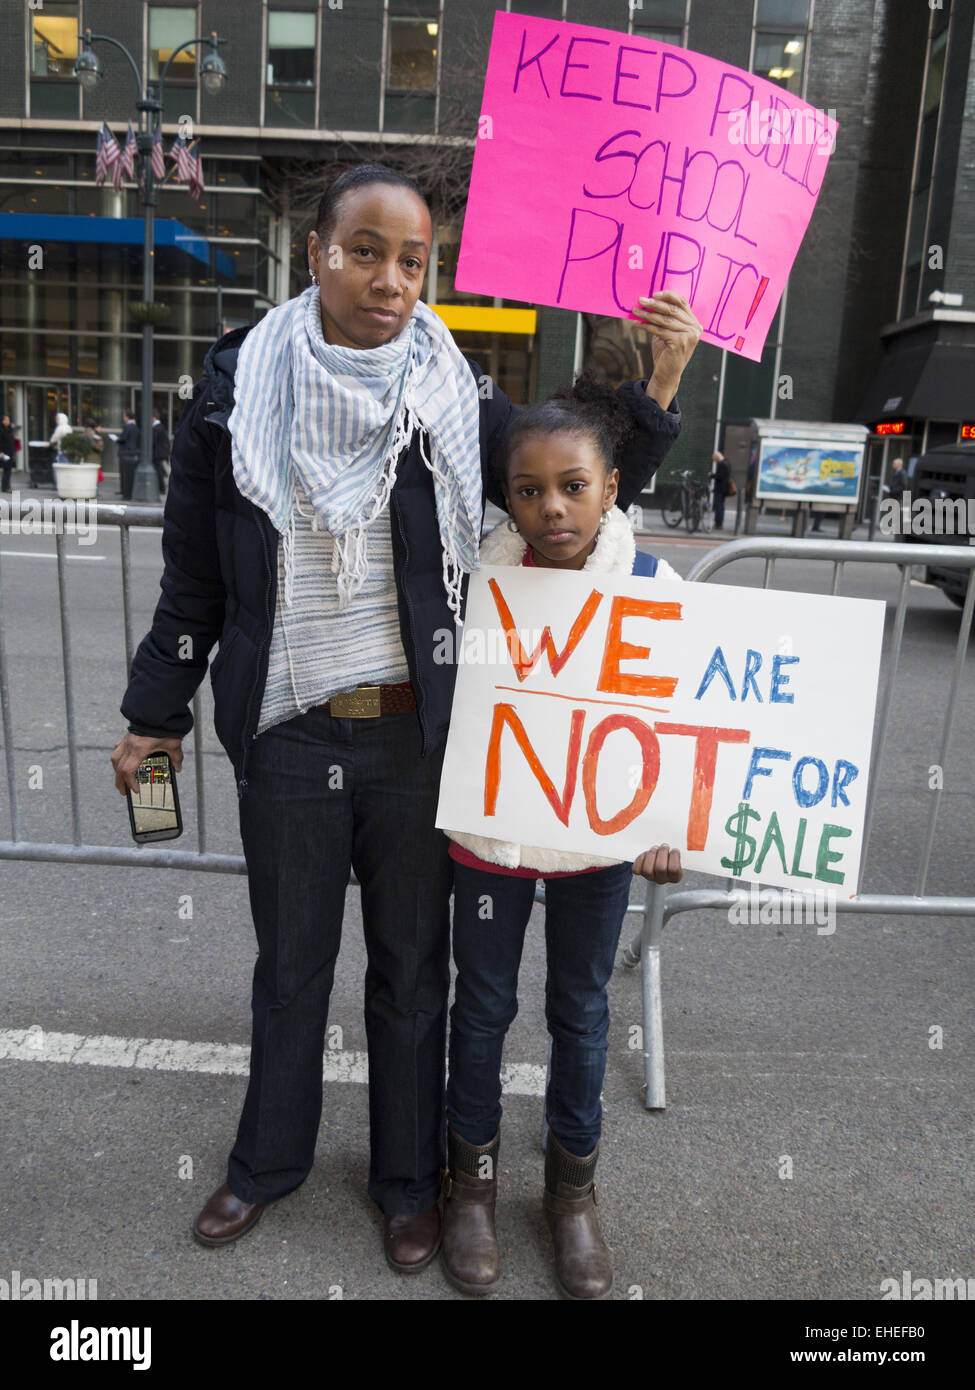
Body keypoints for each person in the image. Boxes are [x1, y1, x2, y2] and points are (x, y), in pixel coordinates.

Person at [110, 164, 701, 1275]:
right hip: (286, 723)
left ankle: (407, 1183)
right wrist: (156, 713)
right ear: (317, 254)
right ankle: (265, 1163)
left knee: (414, 970)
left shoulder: (454, 393)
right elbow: (192, 572)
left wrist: (660, 377)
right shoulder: (238, 381)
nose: (392, 278)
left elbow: (569, 478)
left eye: (415, 259)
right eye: (368, 250)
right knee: (289, 965)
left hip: (417, 737)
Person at [439, 373, 684, 1300]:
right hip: (490, 838)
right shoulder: (475, 584)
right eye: (530, 489)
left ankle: (571, 1196)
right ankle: (472, 1188)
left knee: (580, 1011)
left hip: (595, 843)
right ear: (507, 495)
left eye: (573, 486)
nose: (552, 507)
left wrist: (670, 827)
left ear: (610, 486)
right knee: (483, 1008)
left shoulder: (653, 586)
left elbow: (682, 724)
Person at [116, 409, 140, 499]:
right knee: (129, 475)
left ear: (127, 417)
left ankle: (125, 494)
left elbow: (123, 439)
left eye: (124, 416)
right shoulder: (135, 427)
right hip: (132, 453)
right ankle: (126, 492)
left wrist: (116, 440)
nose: (123, 418)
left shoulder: (127, 427)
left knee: (125, 474)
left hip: (125, 453)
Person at [150, 408, 170, 495]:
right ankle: (161, 488)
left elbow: (153, 442)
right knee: (159, 471)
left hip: (157, 454)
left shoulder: (156, 428)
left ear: (153, 418)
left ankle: (162, 488)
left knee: (158, 472)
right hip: (160, 453)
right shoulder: (161, 427)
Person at [711, 448, 731, 529]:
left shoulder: (722, 464)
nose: (715, 461)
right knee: (721, 507)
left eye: (715, 459)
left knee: (718, 507)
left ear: (717, 457)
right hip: (725, 489)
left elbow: (720, 477)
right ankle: (720, 523)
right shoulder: (728, 462)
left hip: (720, 489)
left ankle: (718, 524)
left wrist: (711, 475)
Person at [0, 414, 16, 492]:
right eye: (6, 420)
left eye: (8, 420)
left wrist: (14, 453)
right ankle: (5, 487)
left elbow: (12, 441)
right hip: (4, 452)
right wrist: (1, 452)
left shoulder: (10, 429)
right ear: (2, 421)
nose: (7, 421)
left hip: (10, 451)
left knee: (8, 470)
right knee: (6, 469)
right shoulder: (1, 430)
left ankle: (6, 486)